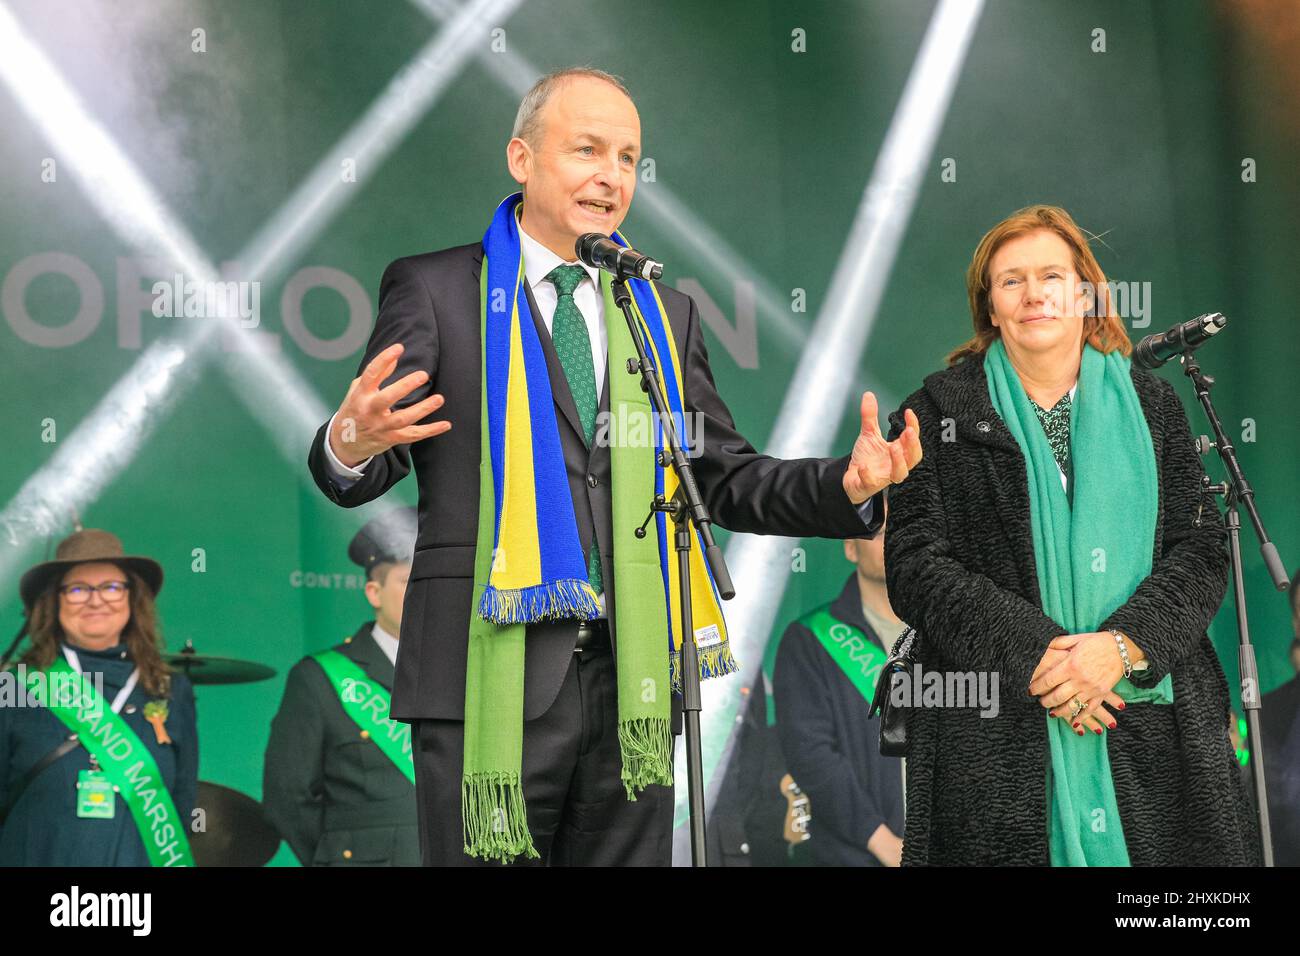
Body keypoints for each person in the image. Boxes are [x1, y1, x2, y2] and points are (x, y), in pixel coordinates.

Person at [306, 67, 922, 866]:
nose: (611, 174)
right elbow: (375, 452)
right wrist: (351, 440)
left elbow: (721, 476)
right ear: (521, 159)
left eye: (628, 157)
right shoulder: (437, 289)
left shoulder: (659, 310)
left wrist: (846, 485)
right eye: (587, 149)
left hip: (634, 674)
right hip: (486, 669)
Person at [884, 204, 1258, 866]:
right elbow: (918, 566)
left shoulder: (1155, 405)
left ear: (1085, 293)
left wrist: (1119, 649)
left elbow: (1200, 551)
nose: (1034, 295)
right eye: (1012, 281)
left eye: (1051, 276)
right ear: (989, 308)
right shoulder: (936, 414)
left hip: (1152, 723)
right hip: (995, 737)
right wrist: (1050, 662)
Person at [0, 529, 197, 866]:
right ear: (54, 601)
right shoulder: (14, 687)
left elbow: (181, 804)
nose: (95, 600)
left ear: (131, 599)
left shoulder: (171, 689)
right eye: (77, 589)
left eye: (111, 587)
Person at [263, 507, 420, 866]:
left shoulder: (465, 676)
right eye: (409, 580)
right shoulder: (320, 678)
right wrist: (341, 855)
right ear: (374, 592)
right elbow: (287, 795)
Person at [773, 509, 906, 867]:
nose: (895, 542)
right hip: (858, 856)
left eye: (906, 531)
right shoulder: (810, 640)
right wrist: (883, 843)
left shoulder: (949, 635)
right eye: (879, 533)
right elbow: (812, 756)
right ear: (850, 548)